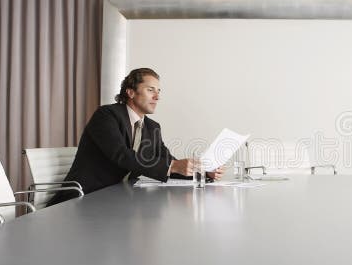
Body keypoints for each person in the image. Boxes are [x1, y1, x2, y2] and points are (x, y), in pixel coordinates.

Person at [47, 68, 222, 206]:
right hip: (84, 197)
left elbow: (167, 161)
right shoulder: (106, 115)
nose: (157, 97)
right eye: (150, 90)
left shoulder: (152, 127)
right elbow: (121, 155)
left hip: (119, 198)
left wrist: (203, 172)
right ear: (131, 92)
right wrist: (173, 166)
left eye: (159, 91)